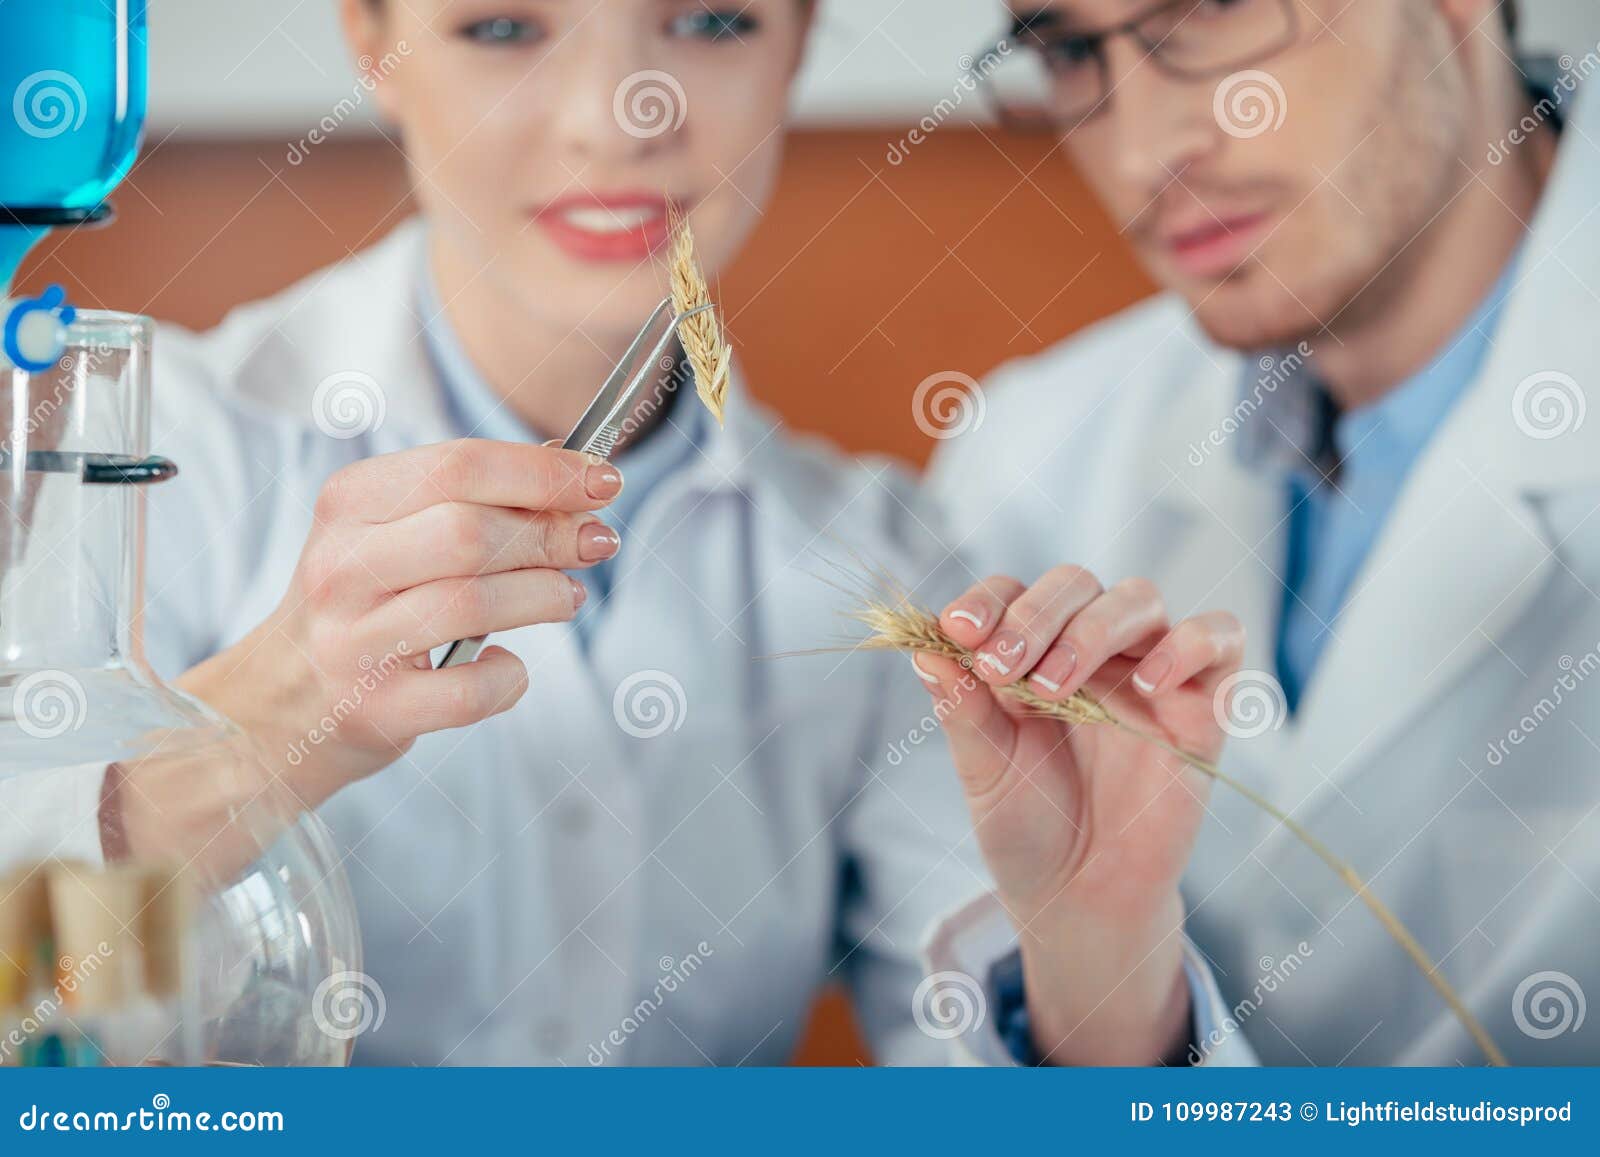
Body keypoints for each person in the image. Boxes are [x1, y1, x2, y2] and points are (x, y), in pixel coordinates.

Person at [9, 0, 1245, 1066]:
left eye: (710, 20)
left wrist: (1096, 956)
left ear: (799, 42)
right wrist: (263, 732)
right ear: (371, 40)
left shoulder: (885, 553)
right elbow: (32, 999)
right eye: (503, 26)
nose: (617, 113)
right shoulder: (136, 459)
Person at [926, 0, 1599, 1065]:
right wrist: (1102, 988)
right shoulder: (1032, 456)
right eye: (1065, 49)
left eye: (1208, 9)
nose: (1144, 149)